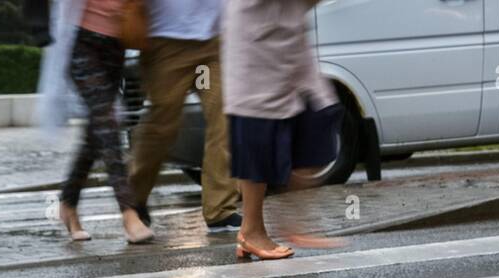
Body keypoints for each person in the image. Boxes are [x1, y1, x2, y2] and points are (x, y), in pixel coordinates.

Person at [221, 0, 341, 260]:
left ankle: (292, 224)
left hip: (289, 44)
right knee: (258, 141)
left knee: (317, 126)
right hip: (257, 51)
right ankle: (251, 232)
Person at [127, 0, 239, 233]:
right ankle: (134, 199)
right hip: (166, 46)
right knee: (162, 125)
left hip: (209, 48)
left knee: (224, 116)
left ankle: (220, 210)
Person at [54, 0, 154, 244]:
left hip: (117, 39)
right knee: (107, 120)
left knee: (96, 131)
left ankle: (68, 203)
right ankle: (129, 213)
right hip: (79, 39)